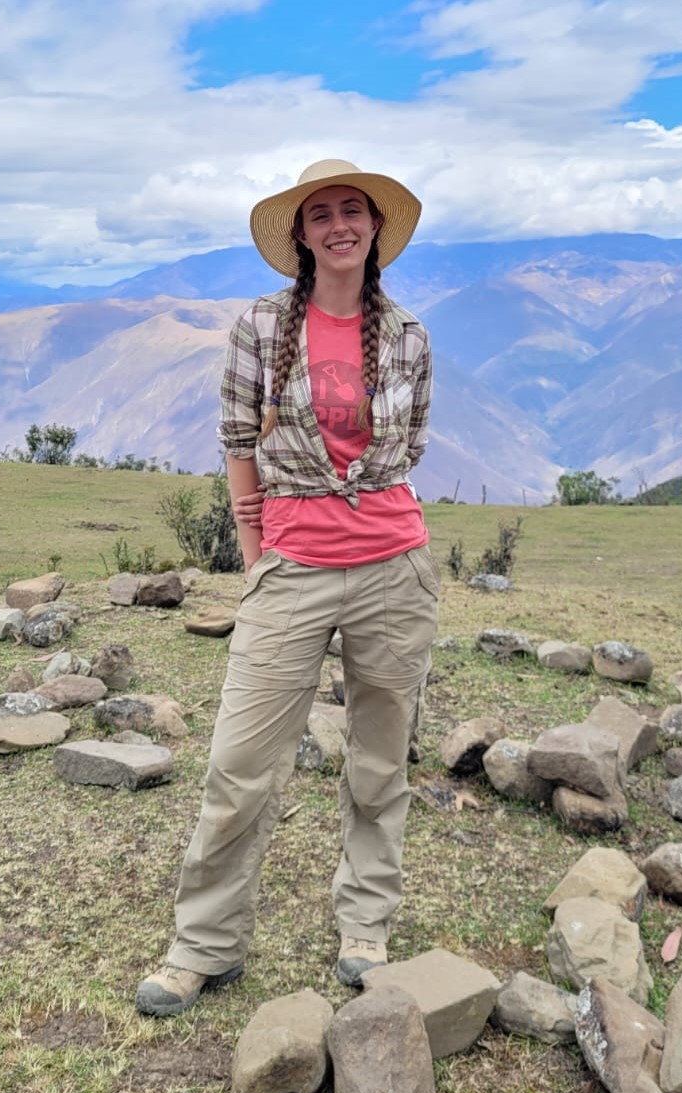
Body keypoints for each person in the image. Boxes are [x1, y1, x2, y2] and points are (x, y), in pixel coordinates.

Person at [136, 159, 439, 1017]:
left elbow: (411, 444)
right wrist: (253, 549)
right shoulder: (264, 327)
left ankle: (365, 928)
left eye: (354, 210)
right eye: (321, 214)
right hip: (294, 566)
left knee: (380, 763)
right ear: (300, 236)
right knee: (239, 764)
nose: (339, 224)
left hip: (396, 567)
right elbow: (238, 439)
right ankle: (204, 946)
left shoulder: (409, 333)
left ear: (375, 226)